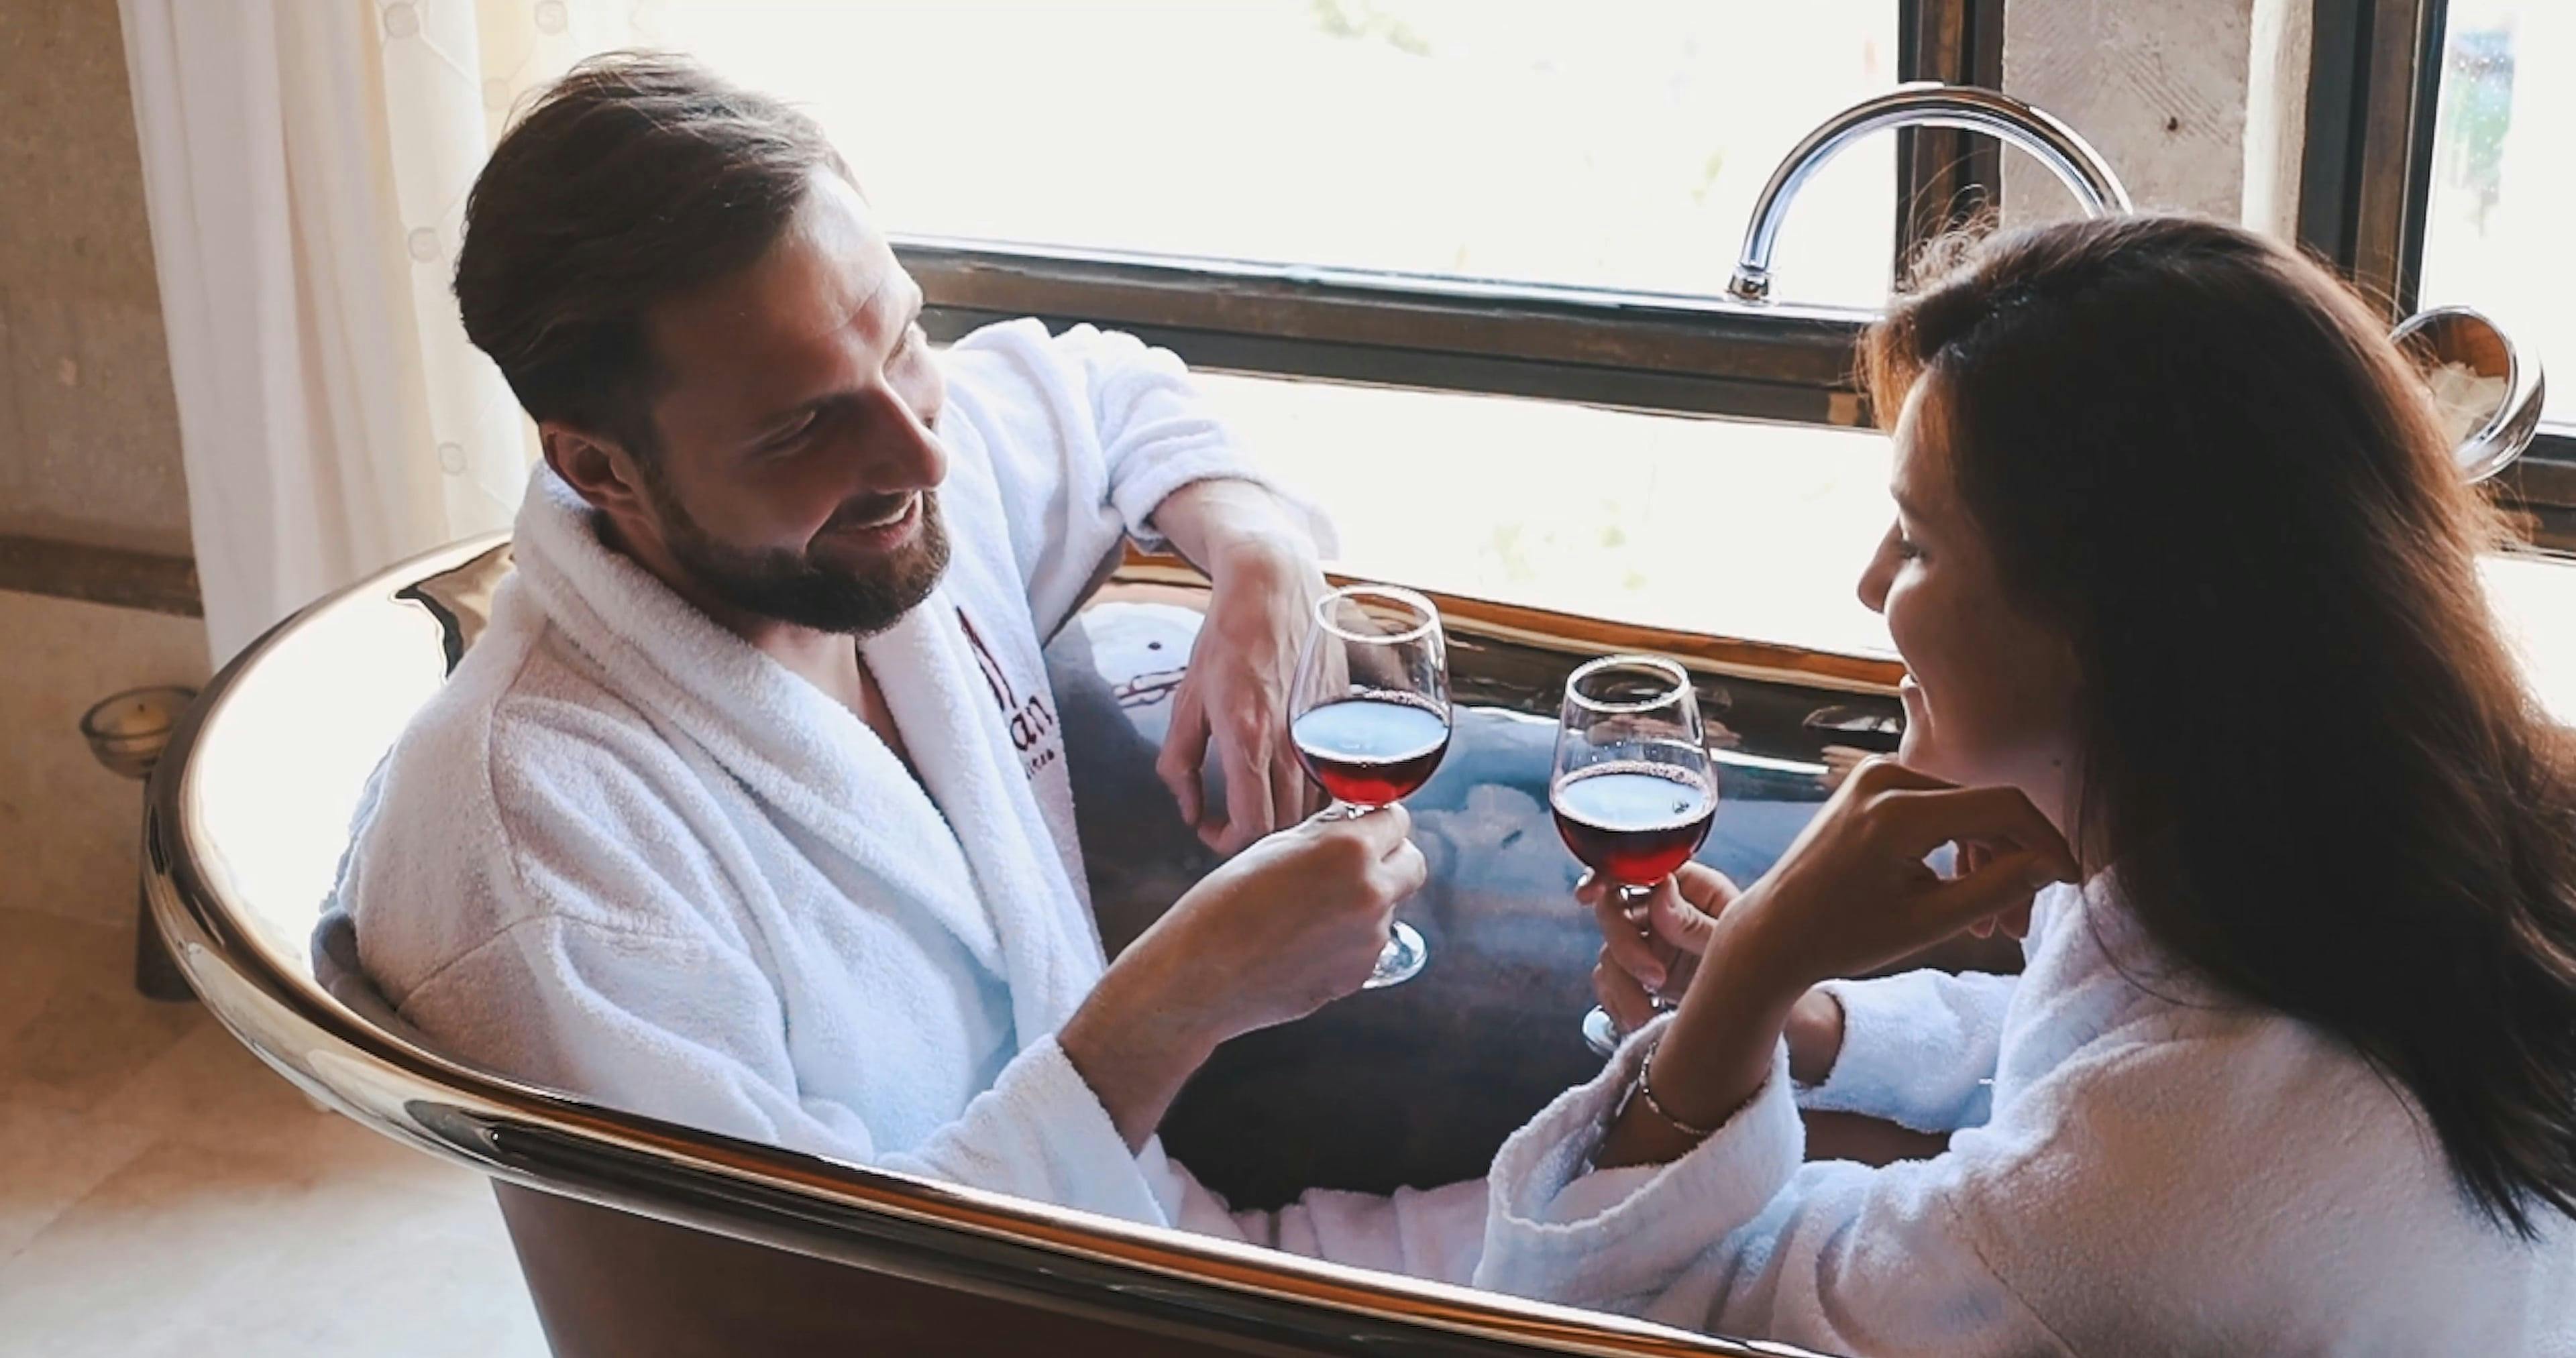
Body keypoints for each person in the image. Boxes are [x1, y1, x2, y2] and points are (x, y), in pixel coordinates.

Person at [331, 54, 1481, 1275]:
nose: (923, 454)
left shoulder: (882, 490)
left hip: (1166, 1237)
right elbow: (786, 1293)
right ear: (602, 470)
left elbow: (1100, 391)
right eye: (802, 425)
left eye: (906, 337)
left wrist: (1256, 547)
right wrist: (1182, 997)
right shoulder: (536, 838)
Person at [1471, 215, 2576, 1351]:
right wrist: (1820, 1025)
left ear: (2121, 629)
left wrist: (1746, 982)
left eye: (1914, 540)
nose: (1868, 585)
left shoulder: (2146, 1201)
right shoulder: (2405, 866)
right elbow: (2132, 1044)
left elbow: (1585, 1316)